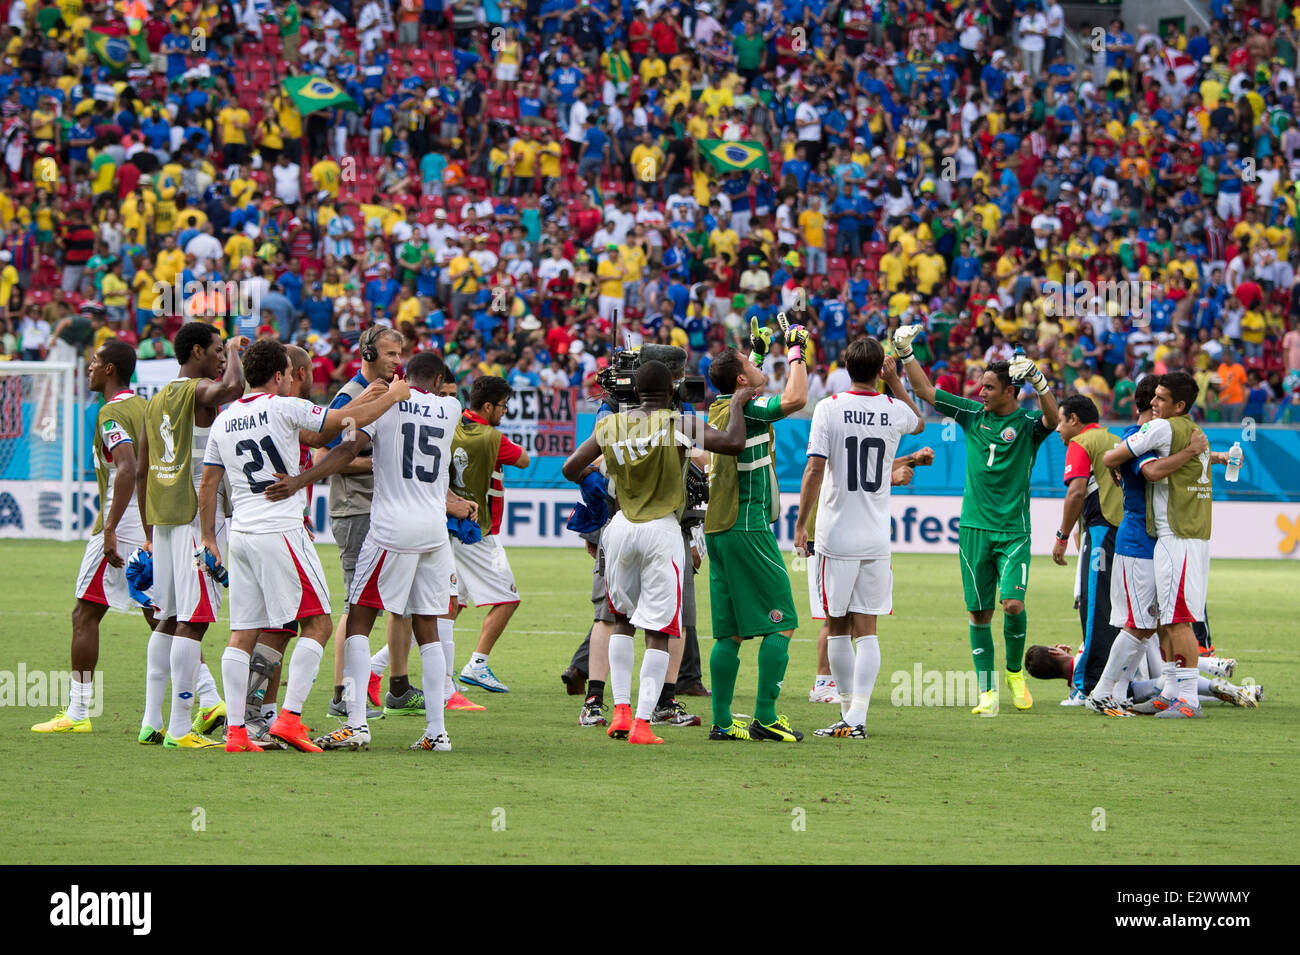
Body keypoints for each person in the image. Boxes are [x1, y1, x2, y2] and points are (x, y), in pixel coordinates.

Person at [198, 339, 409, 752]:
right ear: (280, 376)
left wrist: (209, 537)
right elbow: (343, 423)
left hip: (241, 533)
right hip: (280, 530)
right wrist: (393, 397)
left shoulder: (225, 420)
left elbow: (208, 484)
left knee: (241, 633)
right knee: (319, 624)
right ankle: (290, 718)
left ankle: (238, 730)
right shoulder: (282, 407)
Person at [266, 352, 474, 751]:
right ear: (438, 380)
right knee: (427, 627)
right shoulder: (450, 408)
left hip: (391, 529)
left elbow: (344, 451)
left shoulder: (389, 404)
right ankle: (437, 732)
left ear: (405, 376)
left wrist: (300, 481)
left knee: (359, 619)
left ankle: (357, 723)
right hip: (433, 530)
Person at [561, 360, 754, 744]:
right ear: (672, 392)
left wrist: (603, 478)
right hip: (661, 529)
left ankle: (619, 711)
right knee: (660, 631)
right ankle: (644, 723)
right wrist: (736, 405)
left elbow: (570, 468)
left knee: (622, 621)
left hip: (619, 528)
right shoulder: (678, 422)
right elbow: (733, 444)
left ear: (633, 392)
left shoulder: (610, 424)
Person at [895, 326, 1060, 715]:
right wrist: (905, 353)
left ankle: (1014, 674)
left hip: (1014, 531)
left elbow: (1053, 419)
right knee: (979, 613)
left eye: (988, 387)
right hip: (972, 529)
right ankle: (988, 692)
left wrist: (1039, 381)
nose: (980, 392)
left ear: (1009, 392)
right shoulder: (972, 415)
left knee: (1013, 605)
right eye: (980, 386)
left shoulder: (1026, 428)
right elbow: (927, 393)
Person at [794, 340, 927, 739]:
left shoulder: (828, 407)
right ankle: (858, 718)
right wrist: (896, 382)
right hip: (875, 538)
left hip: (835, 535)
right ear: (879, 371)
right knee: (867, 629)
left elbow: (815, 469)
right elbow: (919, 420)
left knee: (837, 627)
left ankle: (847, 713)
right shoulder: (892, 410)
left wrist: (801, 525)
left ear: (845, 365)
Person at [32, 342, 160, 733]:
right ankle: (209, 699)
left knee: (84, 614)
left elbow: (127, 467)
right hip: (151, 524)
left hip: (119, 525)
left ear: (109, 370)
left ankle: (77, 713)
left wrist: (108, 528)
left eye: (94, 362)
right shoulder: (147, 407)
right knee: (162, 617)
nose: (88, 367)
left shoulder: (111, 413)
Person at [135, 324, 248, 748]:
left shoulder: (156, 399)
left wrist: (149, 532)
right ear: (196, 351)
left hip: (164, 519)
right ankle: (181, 728)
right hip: (195, 519)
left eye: (225, 350)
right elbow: (233, 387)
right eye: (217, 350)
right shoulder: (198, 390)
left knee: (168, 618)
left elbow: (145, 470)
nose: (222, 358)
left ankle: (151, 721)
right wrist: (239, 350)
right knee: (195, 621)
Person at [1101, 371, 1234, 719]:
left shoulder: (1163, 428)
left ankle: (1187, 700)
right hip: (1183, 535)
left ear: (1179, 405)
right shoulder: (1195, 433)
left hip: (1178, 535)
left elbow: (1143, 469)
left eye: (1161, 399)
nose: (1153, 404)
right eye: (1153, 397)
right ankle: (1171, 690)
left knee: (1178, 620)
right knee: (1168, 619)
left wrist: (1117, 460)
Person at [702, 317, 809, 742]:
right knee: (782, 621)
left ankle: (723, 722)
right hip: (748, 526)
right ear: (743, 378)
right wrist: (797, 347)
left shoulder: (721, 407)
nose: (757, 363)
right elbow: (796, 397)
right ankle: (765, 716)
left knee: (728, 632)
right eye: (751, 361)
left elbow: (746, 385)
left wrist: (758, 350)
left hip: (718, 528)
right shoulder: (750, 409)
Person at [323, 326, 412, 720]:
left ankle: (395, 686)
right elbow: (333, 455)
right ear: (368, 352)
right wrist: (383, 464)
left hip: (379, 510)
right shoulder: (351, 395)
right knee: (356, 604)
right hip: (355, 508)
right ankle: (342, 694)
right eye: (391, 354)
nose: (397, 361)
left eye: (400, 354)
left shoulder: (389, 392)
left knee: (386, 603)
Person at [450, 376, 531, 693]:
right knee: (508, 599)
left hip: (451, 527)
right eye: (502, 407)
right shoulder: (490, 437)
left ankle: (379, 665)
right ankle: (477, 665)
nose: (505, 412)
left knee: (448, 607)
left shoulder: (454, 425)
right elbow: (523, 460)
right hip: (477, 531)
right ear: (488, 406)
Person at [1051, 394, 1125, 704]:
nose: (1057, 428)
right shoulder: (1115, 439)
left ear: (1074, 420)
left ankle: (1088, 686)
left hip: (1102, 530)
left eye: (1060, 420)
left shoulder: (1081, 442)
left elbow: (1076, 492)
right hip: (1126, 531)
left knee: (1095, 608)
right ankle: (1118, 682)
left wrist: (1063, 535)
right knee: (1117, 609)